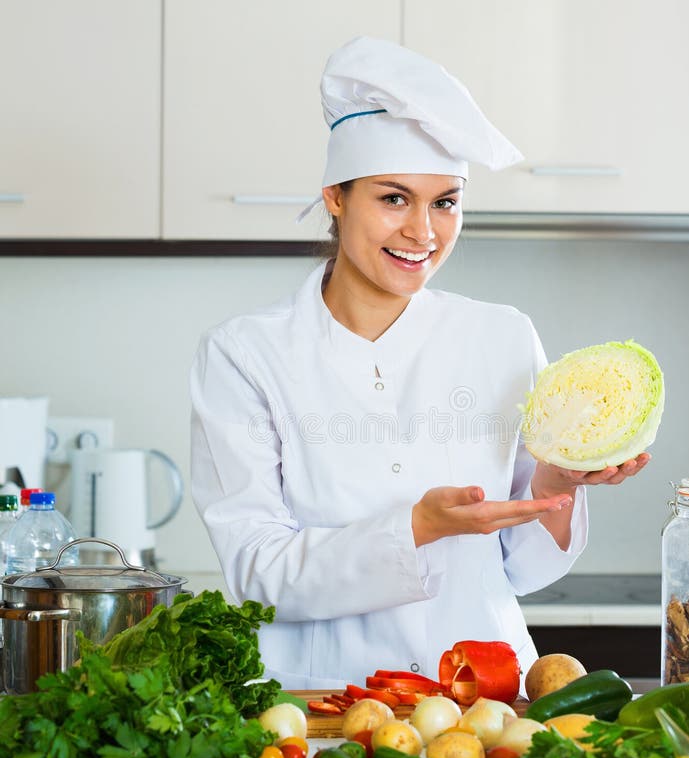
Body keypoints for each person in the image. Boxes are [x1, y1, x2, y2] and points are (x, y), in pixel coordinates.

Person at [190, 37, 649, 691]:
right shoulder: (246, 355)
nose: (423, 232)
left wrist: (558, 479)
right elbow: (257, 572)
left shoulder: (503, 336)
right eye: (394, 198)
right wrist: (417, 528)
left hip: (484, 695)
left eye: (445, 201)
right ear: (336, 196)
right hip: (323, 699)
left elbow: (523, 570)